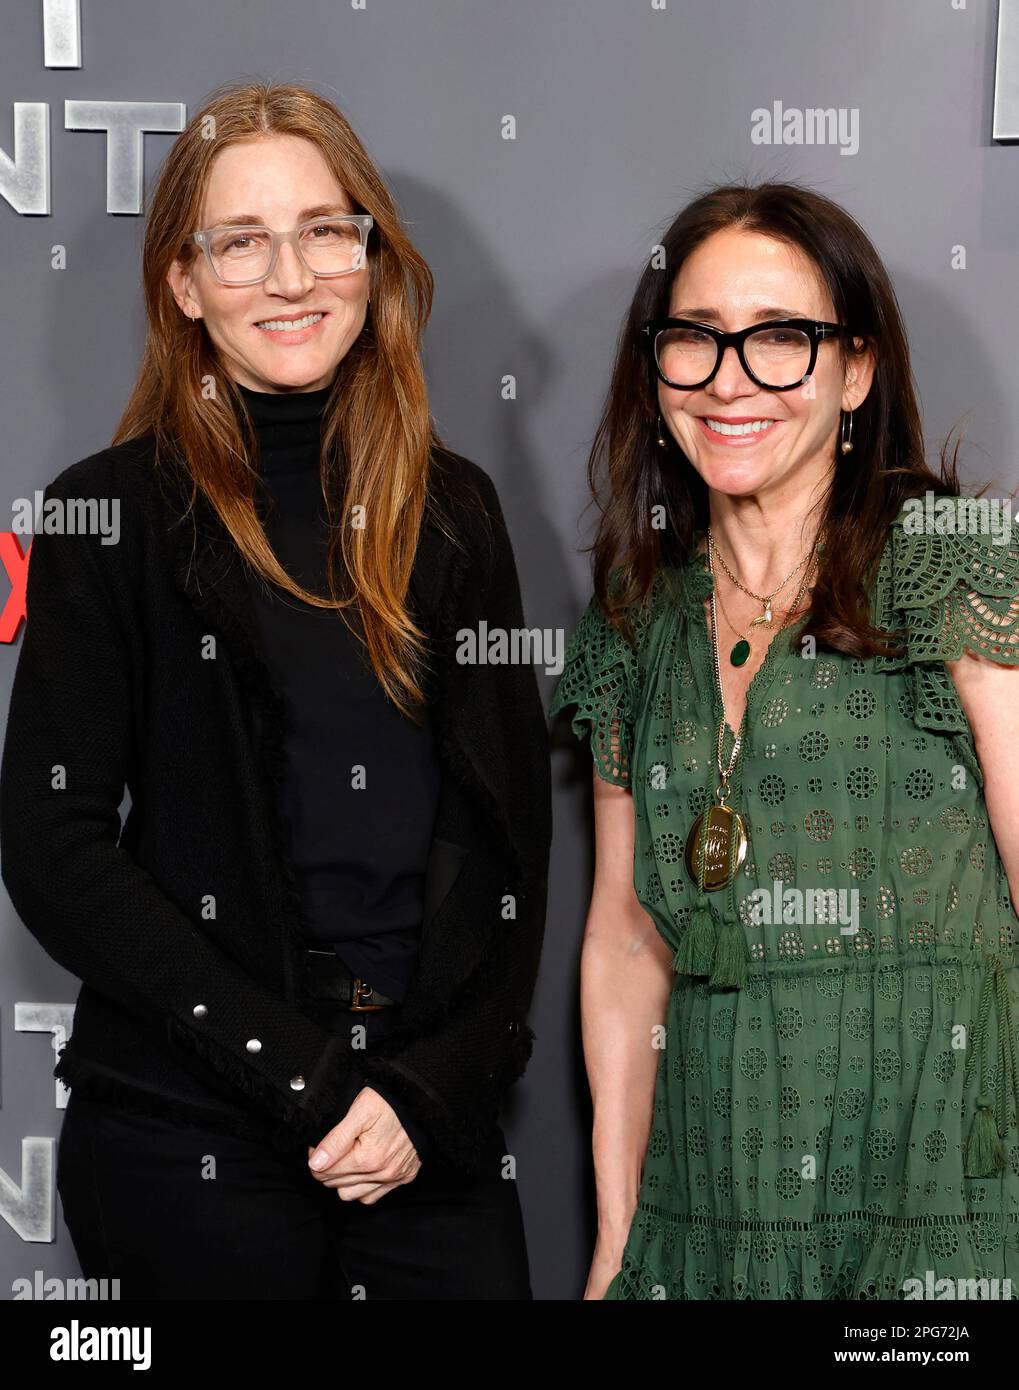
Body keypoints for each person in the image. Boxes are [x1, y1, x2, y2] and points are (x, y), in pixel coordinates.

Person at [0, 80, 552, 1300]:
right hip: (184, 1130)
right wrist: (301, 1073)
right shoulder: (111, 518)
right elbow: (54, 845)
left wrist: (422, 1091)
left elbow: (509, 845)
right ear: (183, 286)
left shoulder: (454, 511)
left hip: (420, 1128)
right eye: (240, 241)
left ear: (371, 253)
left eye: (322, 229)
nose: (290, 275)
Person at [549, 180, 1019, 1300]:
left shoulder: (952, 561)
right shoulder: (633, 619)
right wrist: (616, 1236)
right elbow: (623, 946)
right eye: (695, 340)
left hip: (942, 1192)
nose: (728, 380)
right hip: (711, 1203)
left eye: (779, 341)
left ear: (853, 369)